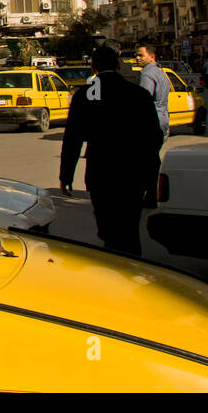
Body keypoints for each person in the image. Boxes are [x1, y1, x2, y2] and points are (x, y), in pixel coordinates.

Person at [59, 46, 164, 257]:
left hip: (101, 174)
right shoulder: (138, 94)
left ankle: (116, 264)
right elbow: (154, 137)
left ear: (92, 67)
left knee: (108, 229)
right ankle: (132, 268)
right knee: (130, 229)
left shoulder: (84, 96)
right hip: (133, 174)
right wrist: (152, 178)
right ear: (118, 65)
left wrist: (66, 175)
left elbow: (73, 139)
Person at [134, 40, 172, 141]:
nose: (137, 58)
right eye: (137, 55)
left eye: (141, 55)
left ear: (152, 57)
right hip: (163, 119)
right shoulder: (161, 73)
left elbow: (144, 100)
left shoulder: (147, 74)